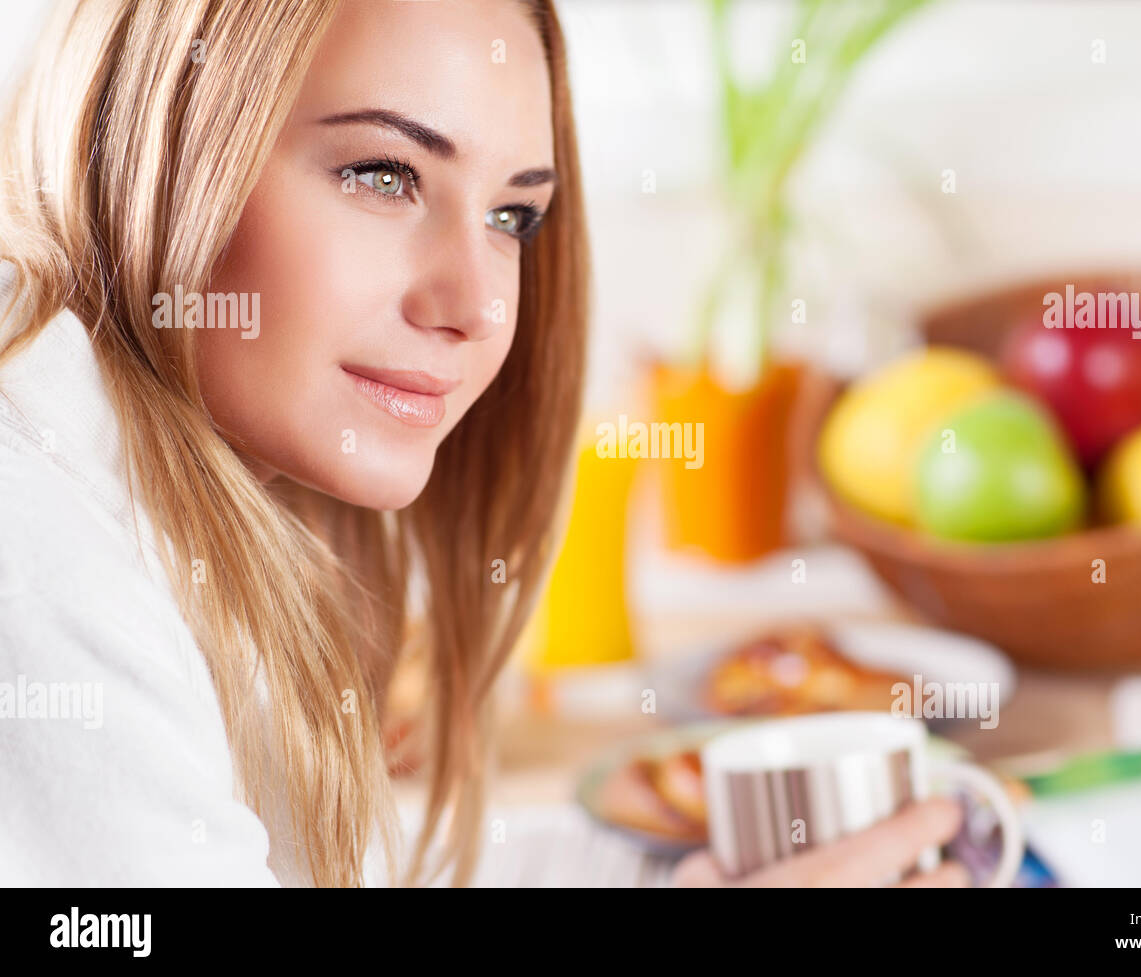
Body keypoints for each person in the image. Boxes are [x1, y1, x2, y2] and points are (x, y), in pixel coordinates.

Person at [0, 0, 966, 887]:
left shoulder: (167, 503)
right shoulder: (39, 539)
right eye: (383, 176)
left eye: (513, 216)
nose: (478, 306)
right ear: (157, 138)